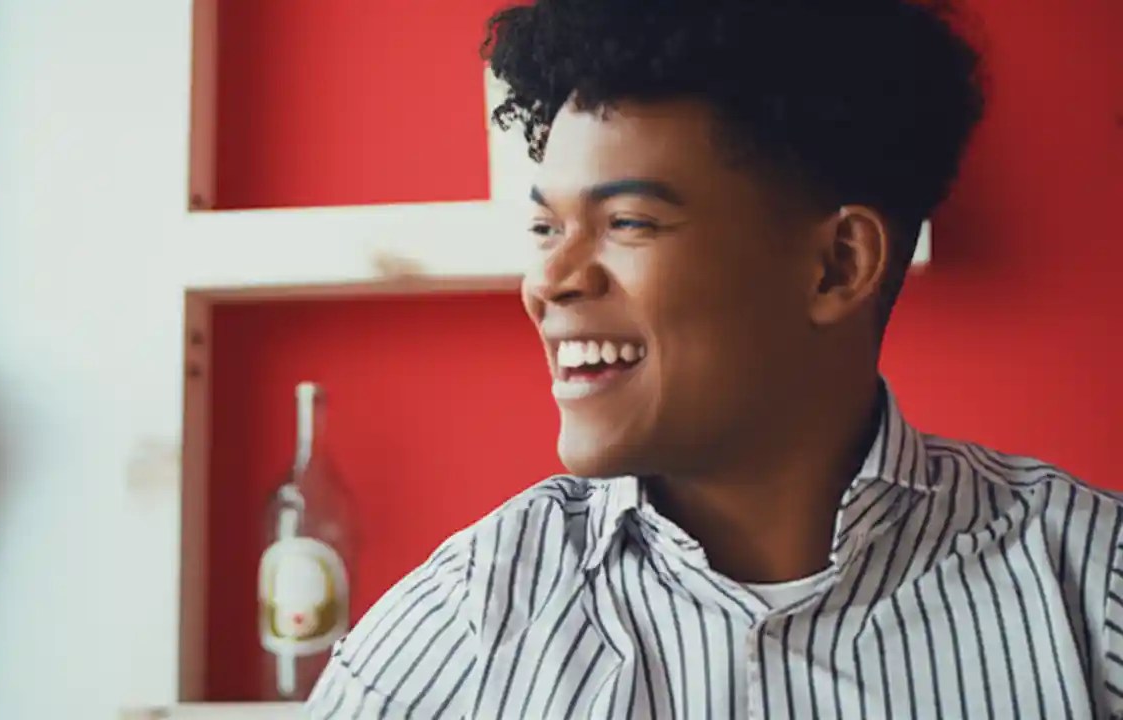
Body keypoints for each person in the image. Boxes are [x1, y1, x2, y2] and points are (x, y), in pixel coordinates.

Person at [307, 0, 1123, 717]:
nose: (548, 281)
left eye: (627, 222)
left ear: (838, 265)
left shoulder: (1091, 587)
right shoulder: (464, 619)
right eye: (546, 229)